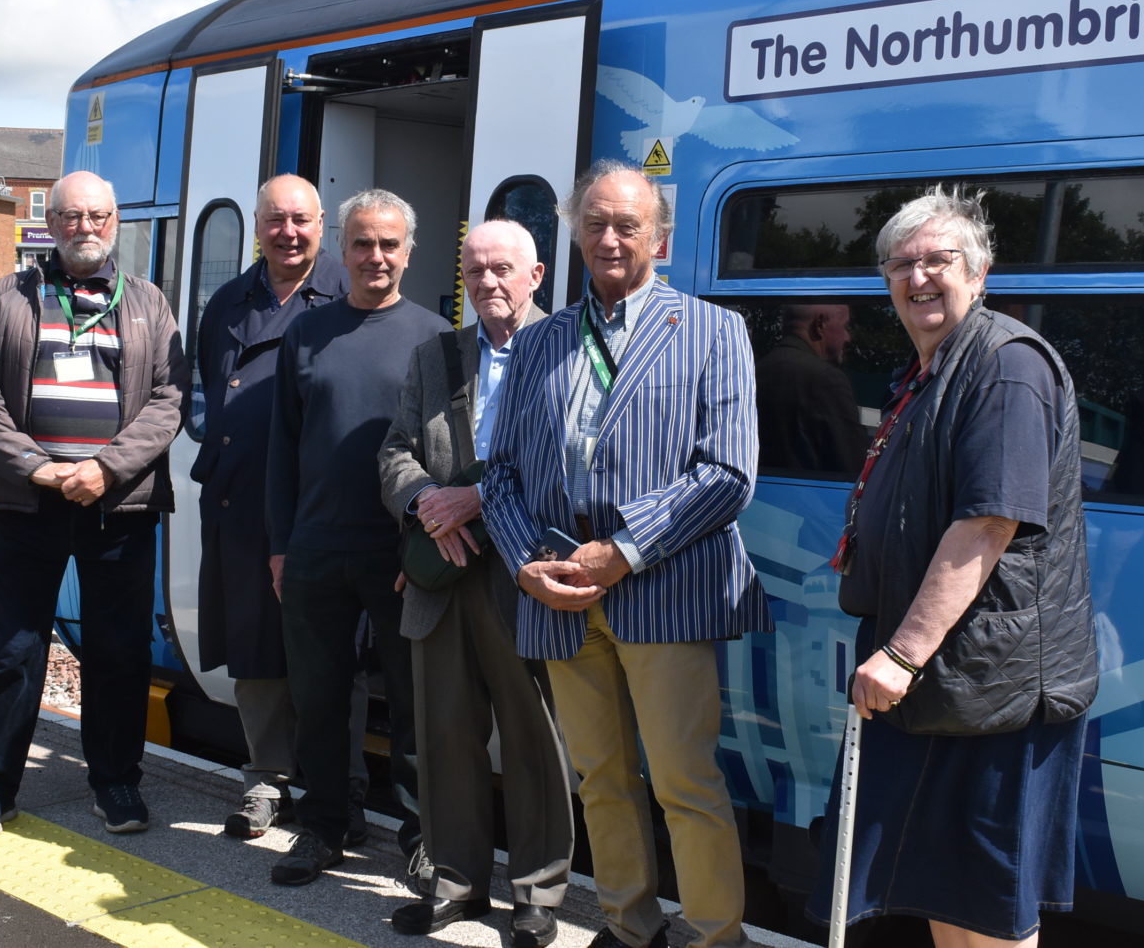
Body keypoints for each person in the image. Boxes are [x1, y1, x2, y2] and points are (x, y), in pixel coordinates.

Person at [481, 161, 773, 948]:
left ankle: (716, 935)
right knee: (602, 780)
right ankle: (627, 925)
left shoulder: (714, 331)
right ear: (575, 233)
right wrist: (522, 563)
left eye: (628, 225)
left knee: (685, 783)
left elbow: (730, 471)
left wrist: (625, 549)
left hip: (664, 593)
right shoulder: (539, 342)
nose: (611, 239)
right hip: (560, 593)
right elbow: (500, 472)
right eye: (597, 223)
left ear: (661, 238)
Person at [807, 187, 1098, 947]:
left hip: (989, 689)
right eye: (903, 264)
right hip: (949, 682)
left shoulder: (1004, 366)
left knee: (990, 909)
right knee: (943, 890)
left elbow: (987, 522)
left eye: (940, 260)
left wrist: (902, 652)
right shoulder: (932, 368)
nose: (920, 277)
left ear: (980, 272)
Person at [0, 170, 185, 840]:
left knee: (118, 649)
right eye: (72, 216)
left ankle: (115, 783)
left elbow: (168, 400)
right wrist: (39, 469)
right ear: (51, 225)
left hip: (120, 505)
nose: (87, 227)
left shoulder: (147, 302)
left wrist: (104, 469)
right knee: (13, 647)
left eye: (99, 215)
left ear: (116, 222)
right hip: (29, 504)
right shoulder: (9, 299)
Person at [378, 221, 573, 945]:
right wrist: (424, 503)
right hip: (442, 574)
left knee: (532, 741)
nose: (488, 283)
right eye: (475, 271)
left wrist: (479, 503)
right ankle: (456, 884)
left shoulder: (567, 350)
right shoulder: (437, 356)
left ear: (536, 275)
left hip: (525, 577)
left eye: (502, 269)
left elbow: (570, 462)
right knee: (446, 737)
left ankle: (537, 894)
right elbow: (395, 450)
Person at [266, 188, 451, 886]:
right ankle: (323, 826)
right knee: (317, 698)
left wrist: (423, 548)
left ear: (409, 252)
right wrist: (280, 546)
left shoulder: (436, 340)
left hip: (399, 555)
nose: (376, 256)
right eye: (363, 244)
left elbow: (444, 458)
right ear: (340, 253)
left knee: (412, 701)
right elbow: (281, 452)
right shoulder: (306, 335)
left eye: (389, 244)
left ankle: (421, 834)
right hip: (314, 550)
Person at [190, 174, 373, 842]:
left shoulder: (348, 295)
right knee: (256, 651)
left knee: (333, 658)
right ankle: (267, 777)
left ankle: (342, 786)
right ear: (257, 226)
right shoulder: (228, 303)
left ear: (322, 223)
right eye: (274, 220)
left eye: (300, 219)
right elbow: (212, 397)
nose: (288, 233)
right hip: (242, 504)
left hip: (323, 505)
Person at [755, 303, 867, 479]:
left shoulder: (757, 371)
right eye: (845, 327)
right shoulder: (826, 380)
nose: (848, 337)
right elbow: (855, 468)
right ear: (820, 324)